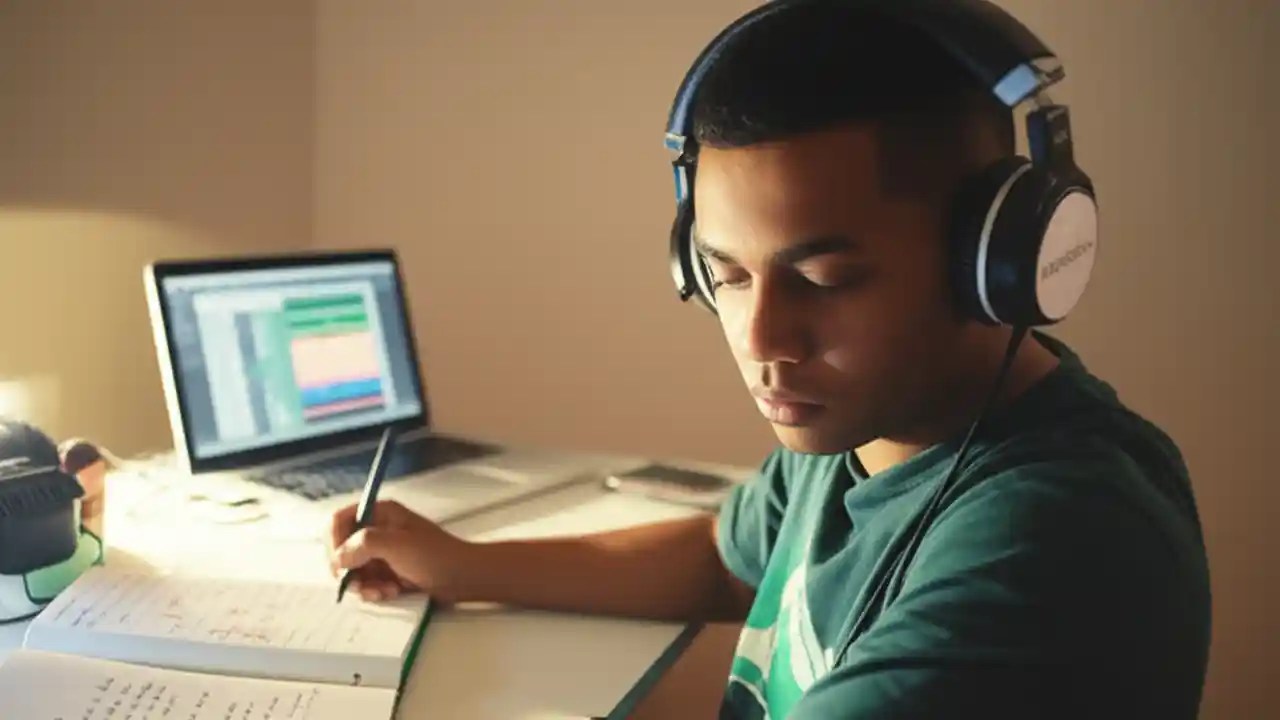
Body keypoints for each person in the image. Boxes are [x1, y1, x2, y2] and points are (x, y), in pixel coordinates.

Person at [327, 2, 1212, 717]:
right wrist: (462, 563)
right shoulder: (868, 433)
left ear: (994, 262)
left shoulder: (1054, 543)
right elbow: (725, 555)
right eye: (726, 275)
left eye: (823, 279)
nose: (760, 341)